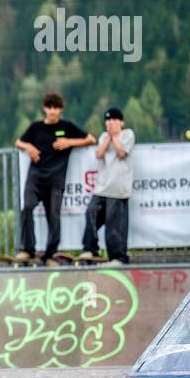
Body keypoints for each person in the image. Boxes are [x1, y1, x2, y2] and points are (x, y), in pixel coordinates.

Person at [14, 92, 95, 264]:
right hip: (35, 178)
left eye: (56, 108)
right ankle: (27, 249)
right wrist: (28, 147)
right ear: (44, 109)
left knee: (54, 216)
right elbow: (18, 142)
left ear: (61, 110)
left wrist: (70, 142)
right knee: (27, 207)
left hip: (55, 180)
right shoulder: (35, 127)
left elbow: (91, 139)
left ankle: (50, 254)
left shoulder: (66, 127)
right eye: (49, 108)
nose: (52, 111)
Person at [80, 107, 135, 265]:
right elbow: (99, 154)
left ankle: (118, 257)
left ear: (121, 122)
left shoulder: (128, 134)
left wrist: (114, 136)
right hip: (102, 187)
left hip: (118, 189)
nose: (110, 123)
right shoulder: (104, 136)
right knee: (91, 214)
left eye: (114, 120)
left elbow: (121, 153)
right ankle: (90, 249)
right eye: (108, 120)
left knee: (114, 225)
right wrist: (108, 138)